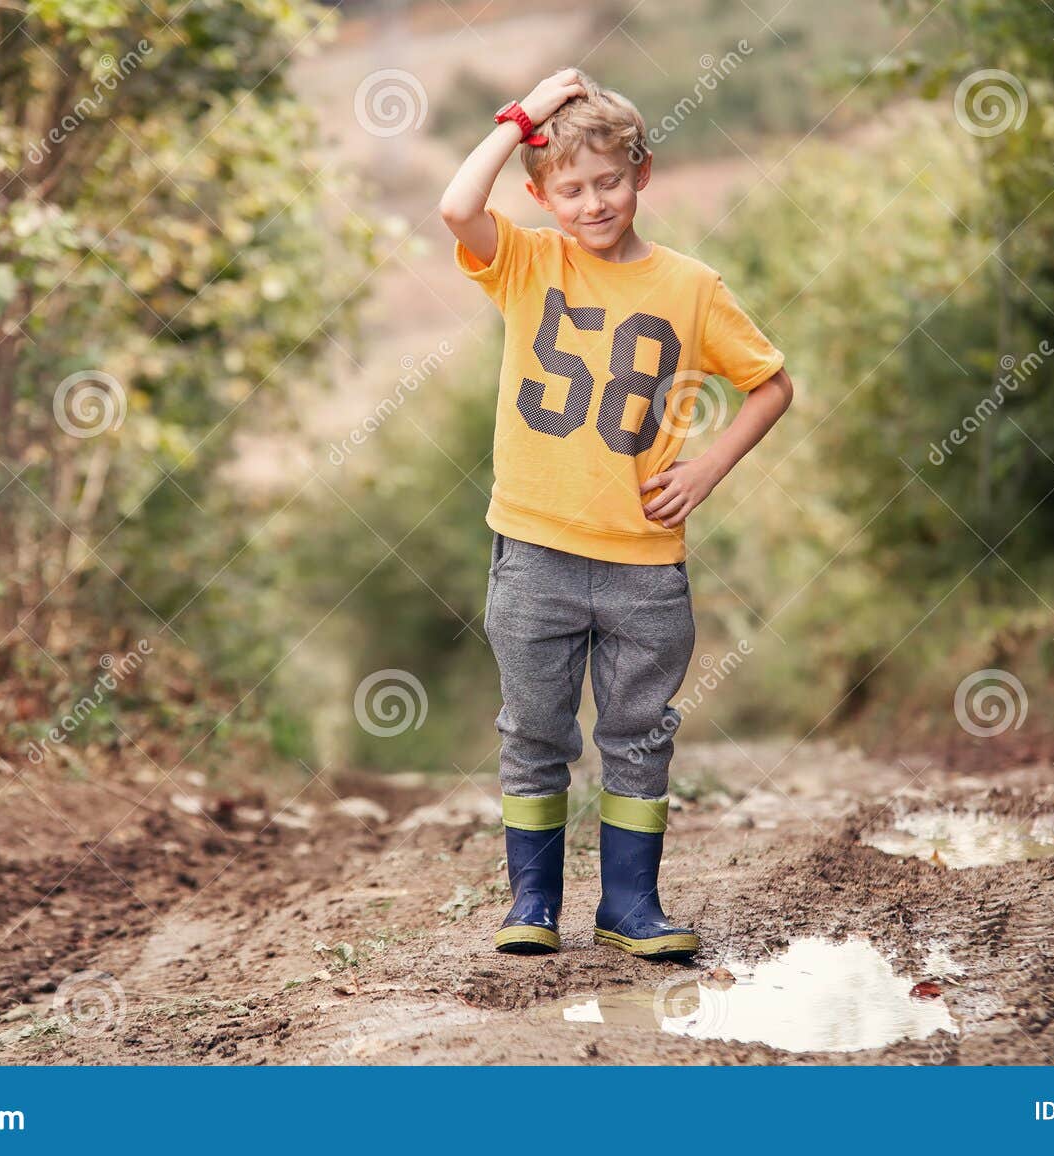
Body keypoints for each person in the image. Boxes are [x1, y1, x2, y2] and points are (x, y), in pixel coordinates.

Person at [439, 68, 794, 959]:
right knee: (535, 732)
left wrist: (708, 467)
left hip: (644, 560)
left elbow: (771, 384)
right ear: (540, 195)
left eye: (609, 181)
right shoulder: (526, 262)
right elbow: (454, 207)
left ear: (643, 173)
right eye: (570, 189)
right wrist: (525, 112)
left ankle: (631, 907)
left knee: (639, 735)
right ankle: (533, 905)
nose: (593, 203)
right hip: (534, 549)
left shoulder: (692, 287)